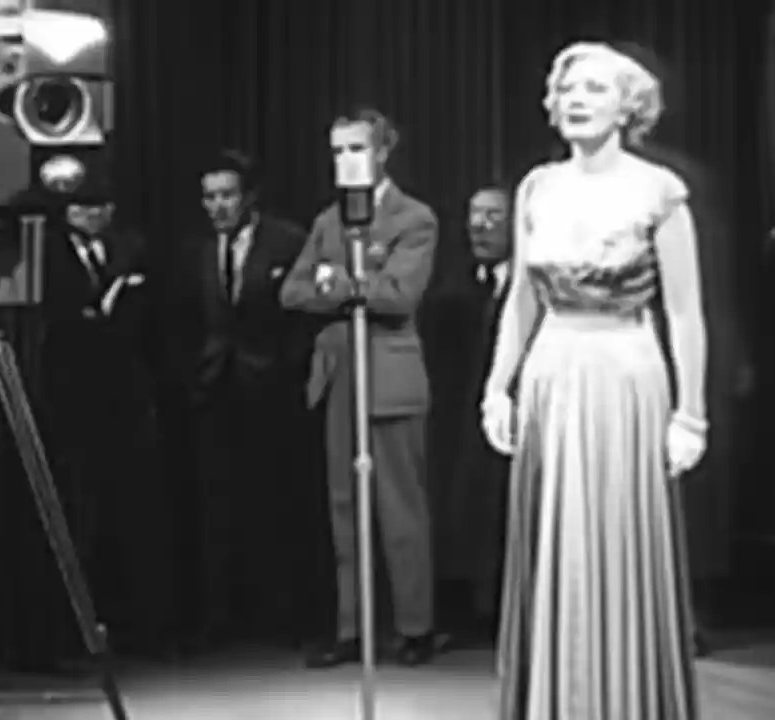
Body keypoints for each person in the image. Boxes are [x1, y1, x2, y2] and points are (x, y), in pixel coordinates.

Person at [482, 42, 705, 718]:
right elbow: (521, 300)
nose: (577, 99)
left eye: (596, 88)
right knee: (554, 542)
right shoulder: (537, 188)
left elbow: (685, 312)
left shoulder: (659, 190)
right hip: (551, 373)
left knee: (616, 542)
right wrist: (497, 387)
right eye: (568, 89)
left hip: (625, 375)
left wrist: (690, 414)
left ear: (628, 107)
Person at [282, 109, 439, 668]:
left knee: (400, 507)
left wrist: (339, 284)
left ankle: (415, 626)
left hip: (390, 374)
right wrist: (350, 288)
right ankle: (352, 627)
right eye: (337, 151)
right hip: (339, 375)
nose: (345, 161)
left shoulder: (413, 217)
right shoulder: (329, 221)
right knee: (344, 506)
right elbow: (293, 291)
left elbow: (398, 295)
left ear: (383, 152)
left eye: (356, 149)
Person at [168, 150, 312, 650]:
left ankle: (282, 613)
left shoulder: (288, 241)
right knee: (215, 507)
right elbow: (181, 321)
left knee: (276, 502)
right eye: (209, 197)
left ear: (250, 197)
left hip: (271, 392)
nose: (218, 206)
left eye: (227, 195)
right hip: (213, 392)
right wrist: (194, 376)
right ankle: (219, 616)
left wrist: (285, 369)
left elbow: (302, 320)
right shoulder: (192, 250)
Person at [38, 199, 179, 658]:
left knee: (138, 516)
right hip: (72, 404)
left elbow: (152, 320)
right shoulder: (47, 253)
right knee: (79, 516)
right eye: (80, 205)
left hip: (128, 401)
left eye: (99, 205)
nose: (90, 214)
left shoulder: (132, 248)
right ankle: (71, 634)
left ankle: (146, 628)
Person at [427, 184, 514, 642]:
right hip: (460, 418)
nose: (481, 227)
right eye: (474, 216)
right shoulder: (451, 287)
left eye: (494, 216)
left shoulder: (531, 287)